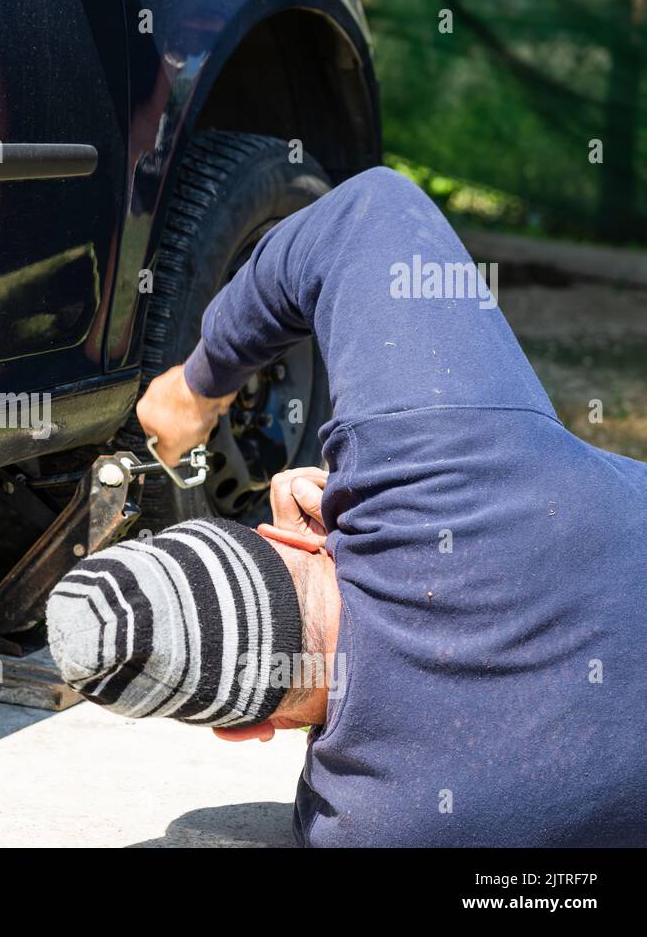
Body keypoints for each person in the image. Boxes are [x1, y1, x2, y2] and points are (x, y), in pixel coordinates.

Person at [45, 166, 647, 846]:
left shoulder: (371, 823)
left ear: (245, 730)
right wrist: (196, 387)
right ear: (296, 539)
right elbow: (370, 209)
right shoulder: (436, 449)